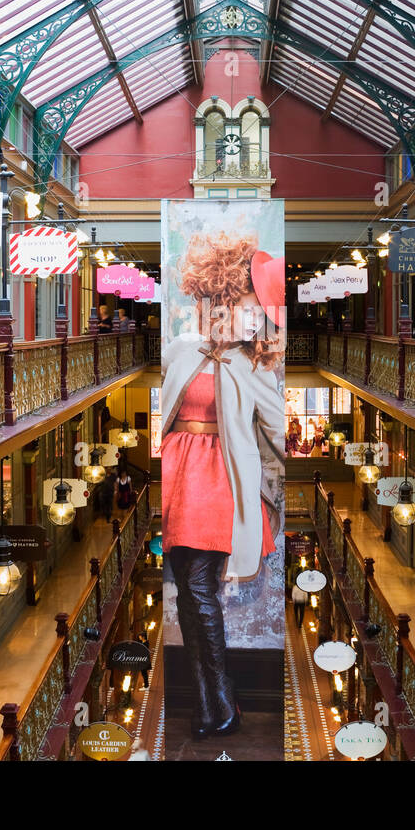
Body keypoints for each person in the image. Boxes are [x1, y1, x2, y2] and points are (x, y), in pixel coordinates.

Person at [161, 232, 284, 740]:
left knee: (198, 587)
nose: (255, 318)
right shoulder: (180, 350)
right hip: (177, 474)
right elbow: (162, 413)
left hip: (218, 482)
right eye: (249, 307)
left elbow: (280, 428)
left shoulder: (252, 366)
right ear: (222, 297)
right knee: (191, 595)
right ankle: (215, 694)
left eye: (261, 311)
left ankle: (217, 701)